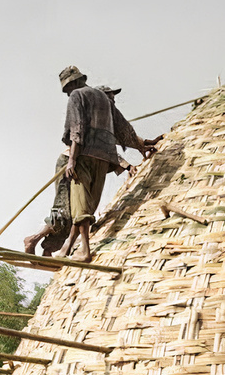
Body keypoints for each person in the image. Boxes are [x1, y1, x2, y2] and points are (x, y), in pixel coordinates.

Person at [53, 67, 159, 261]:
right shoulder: (103, 97)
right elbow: (122, 127)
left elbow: (77, 130)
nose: (68, 92)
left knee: (80, 203)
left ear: (74, 83)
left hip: (84, 155)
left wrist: (72, 159)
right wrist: (141, 145)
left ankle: (84, 250)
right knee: (87, 204)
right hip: (104, 157)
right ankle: (66, 248)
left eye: (67, 88)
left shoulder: (77, 96)